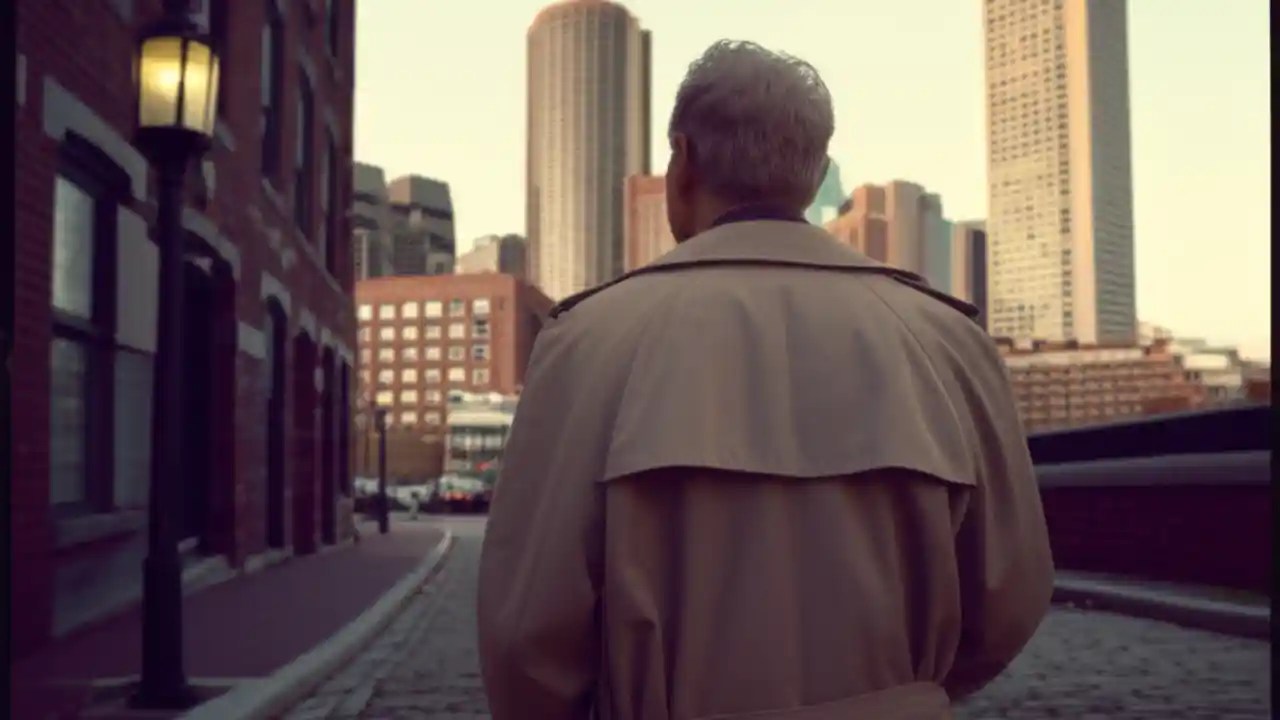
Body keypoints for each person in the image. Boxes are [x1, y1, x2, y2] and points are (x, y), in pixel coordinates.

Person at [478, 40, 1053, 720]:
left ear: (681, 163)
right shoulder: (951, 343)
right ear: (815, 174)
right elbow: (1011, 594)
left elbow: (525, 637)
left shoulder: (587, 343)